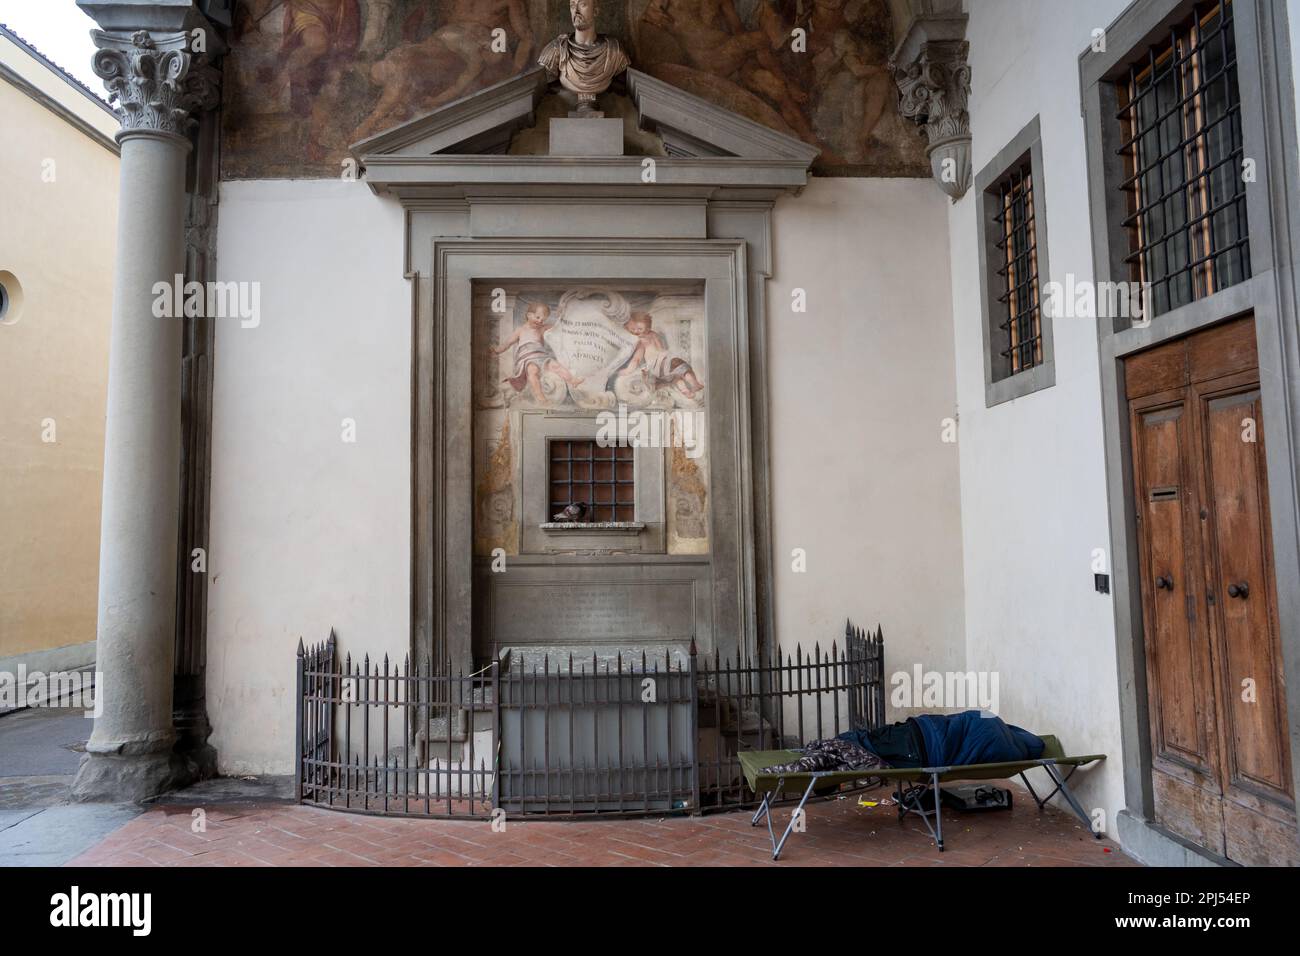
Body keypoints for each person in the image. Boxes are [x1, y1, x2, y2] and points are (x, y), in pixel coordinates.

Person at [493, 303, 584, 404]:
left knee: (556, 366)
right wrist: (497, 350)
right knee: (533, 371)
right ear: (529, 315)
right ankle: (541, 398)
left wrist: (564, 319)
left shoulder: (542, 328)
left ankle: (572, 380)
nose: (540, 320)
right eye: (538, 317)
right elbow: (507, 343)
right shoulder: (520, 330)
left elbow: (558, 327)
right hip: (527, 359)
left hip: (542, 356)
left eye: (543, 319)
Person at [619, 312, 704, 398]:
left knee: (676, 378)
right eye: (632, 329)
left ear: (647, 328)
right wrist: (628, 370)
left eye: (639, 329)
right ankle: (694, 383)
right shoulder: (647, 338)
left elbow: (636, 359)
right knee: (681, 367)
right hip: (661, 362)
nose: (636, 331)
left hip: (658, 365)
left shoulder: (644, 340)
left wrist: (628, 370)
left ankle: (685, 391)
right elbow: (639, 358)